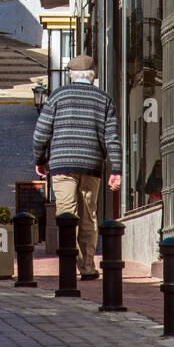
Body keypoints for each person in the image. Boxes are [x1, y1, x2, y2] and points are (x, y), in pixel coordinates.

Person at [33, 53, 122, 281]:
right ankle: (87, 266)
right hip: (92, 165)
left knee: (66, 215)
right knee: (88, 217)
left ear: (71, 74)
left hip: (62, 164)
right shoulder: (104, 99)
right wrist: (116, 170)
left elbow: (41, 133)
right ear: (93, 76)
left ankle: (67, 264)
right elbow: (111, 137)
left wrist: (40, 159)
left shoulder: (58, 96)